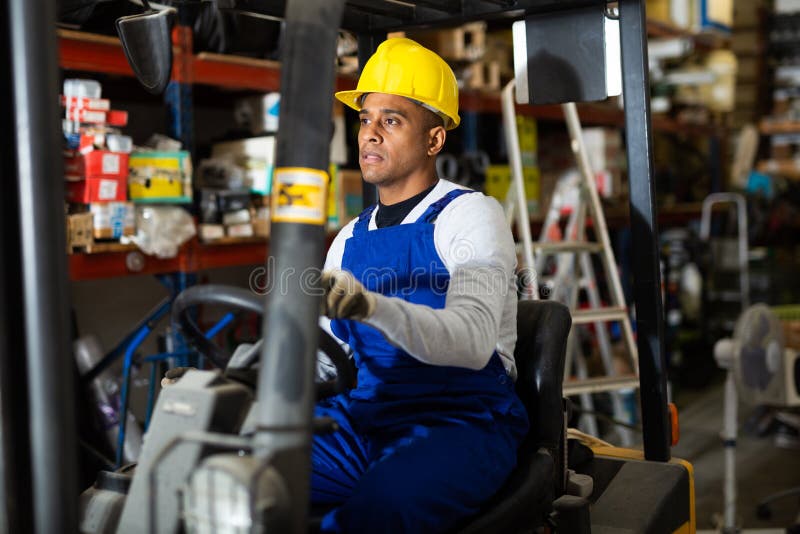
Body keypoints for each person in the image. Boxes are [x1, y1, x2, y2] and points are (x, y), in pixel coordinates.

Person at [313, 37, 528, 534]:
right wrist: (252, 376)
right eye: (365, 119)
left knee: (380, 511)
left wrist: (372, 308)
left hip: (459, 423)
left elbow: (472, 341)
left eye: (391, 121)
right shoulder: (349, 238)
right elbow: (329, 357)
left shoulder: (470, 215)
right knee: (245, 465)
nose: (370, 135)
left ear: (434, 140)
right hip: (367, 417)